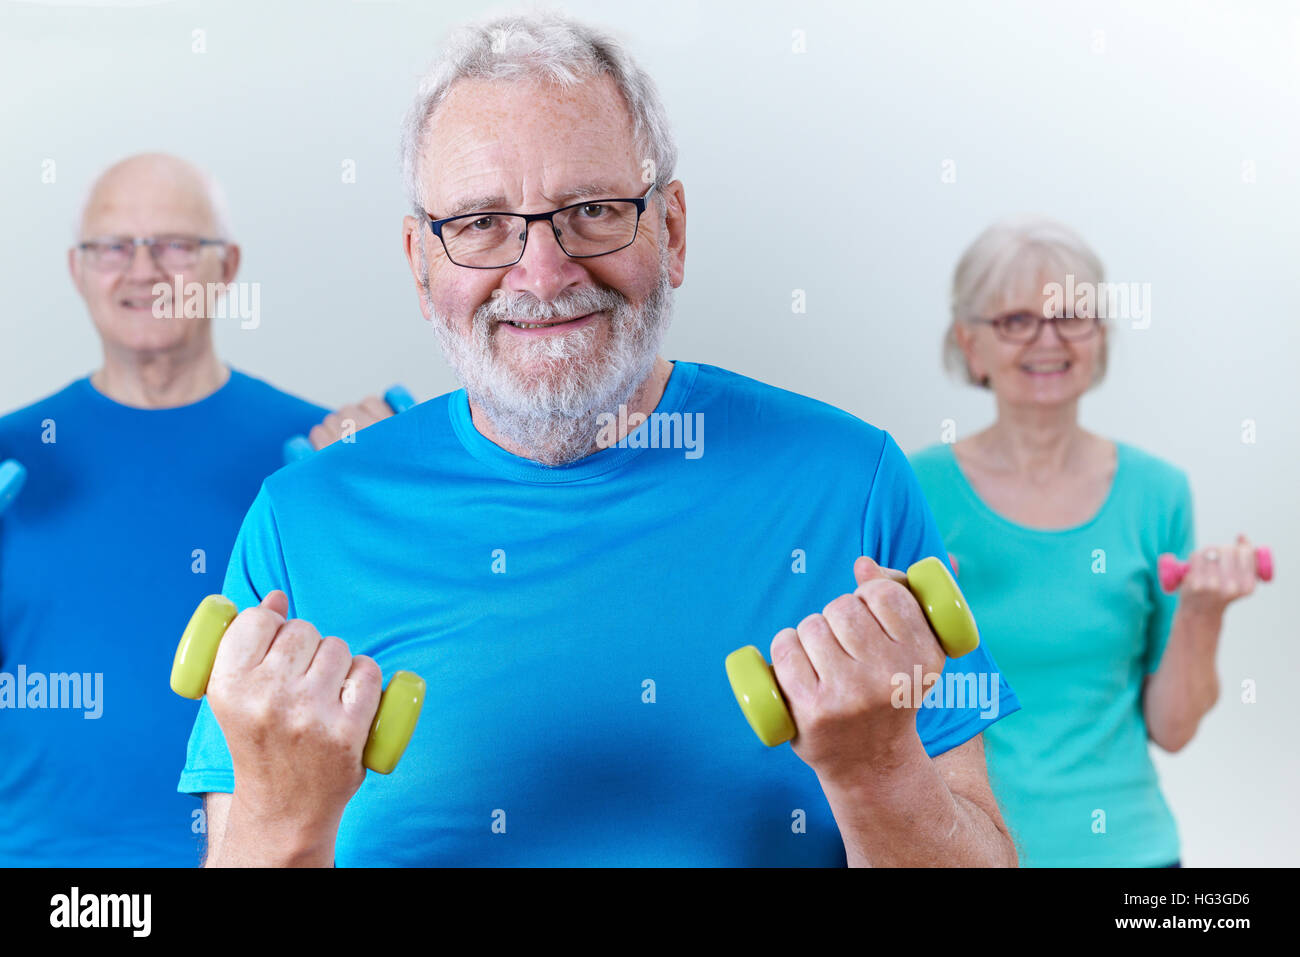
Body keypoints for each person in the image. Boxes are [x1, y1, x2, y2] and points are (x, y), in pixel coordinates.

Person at [180, 10, 1022, 867]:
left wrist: (880, 774)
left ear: (674, 230)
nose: (543, 273)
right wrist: (285, 821)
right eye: (480, 224)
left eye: (593, 209)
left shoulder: (854, 482)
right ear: (420, 264)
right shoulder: (299, 524)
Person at [0, 153, 372, 865]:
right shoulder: (12, 458)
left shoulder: (321, 458)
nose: (143, 271)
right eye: (113, 247)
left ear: (226, 267)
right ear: (78, 271)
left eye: (174, 245)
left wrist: (392, 494)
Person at [909, 217, 1262, 867]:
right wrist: (911, 627)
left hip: (1132, 856)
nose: (1049, 340)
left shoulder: (1158, 492)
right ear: (971, 343)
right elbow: (884, 715)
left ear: (1100, 337)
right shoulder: (917, 488)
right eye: (1017, 319)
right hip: (967, 853)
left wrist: (1205, 612)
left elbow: (1174, 728)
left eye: (1073, 315)